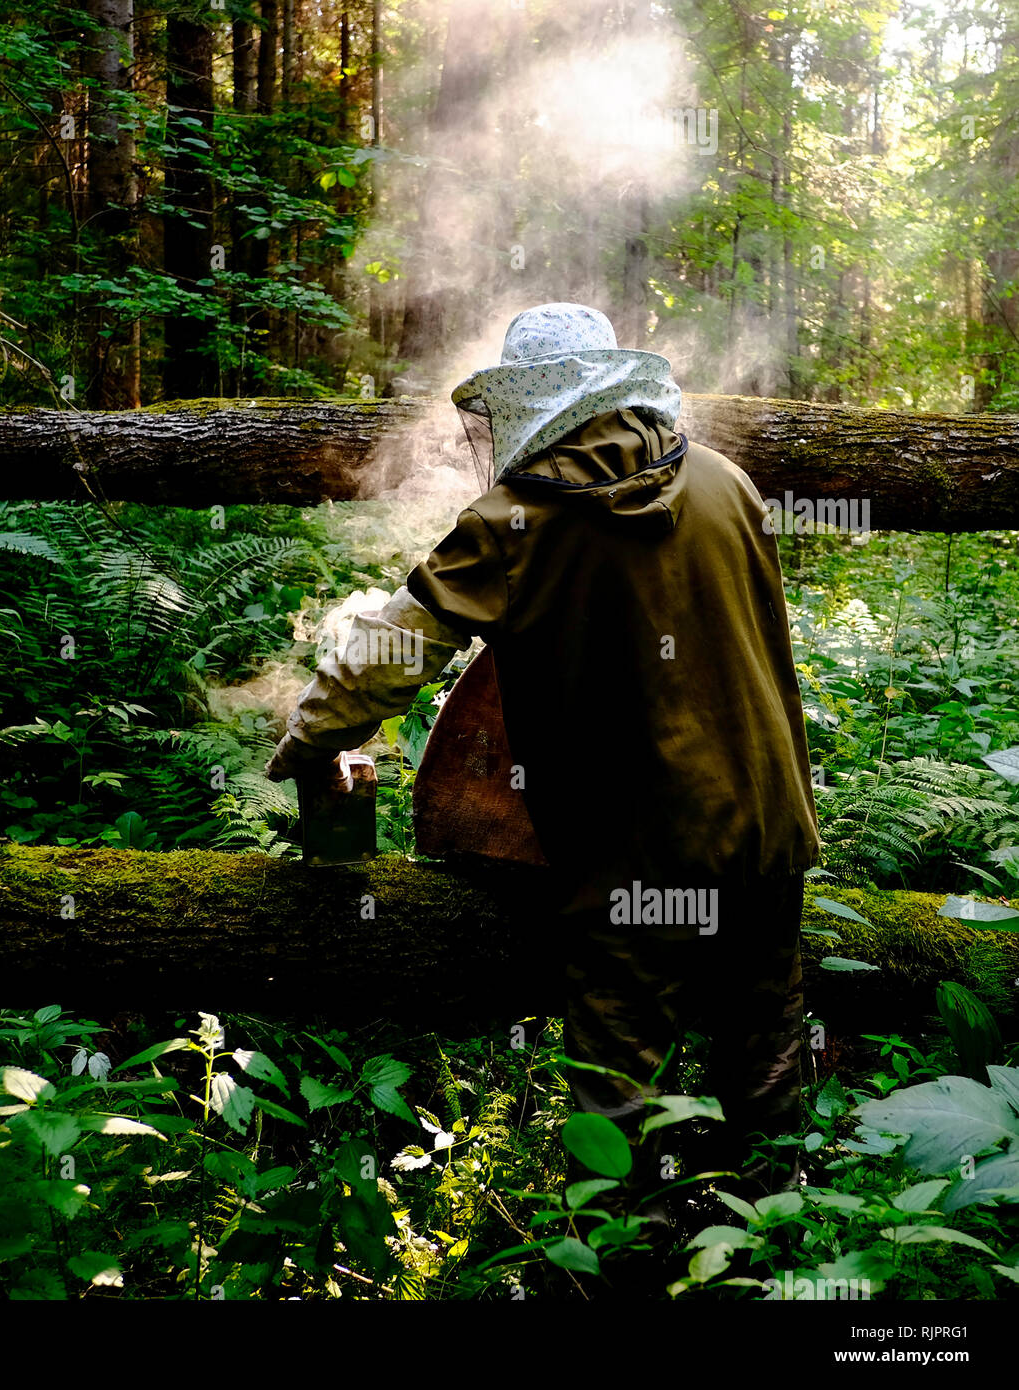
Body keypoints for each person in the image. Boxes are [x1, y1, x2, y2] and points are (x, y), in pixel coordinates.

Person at [266, 302, 821, 1234]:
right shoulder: (728, 482)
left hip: (638, 862)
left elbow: (389, 656)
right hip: (769, 837)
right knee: (764, 1067)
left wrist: (308, 742)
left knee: (617, 1103)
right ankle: (781, 1259)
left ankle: (612, 1269)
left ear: (530, 404)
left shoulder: (515, 521)